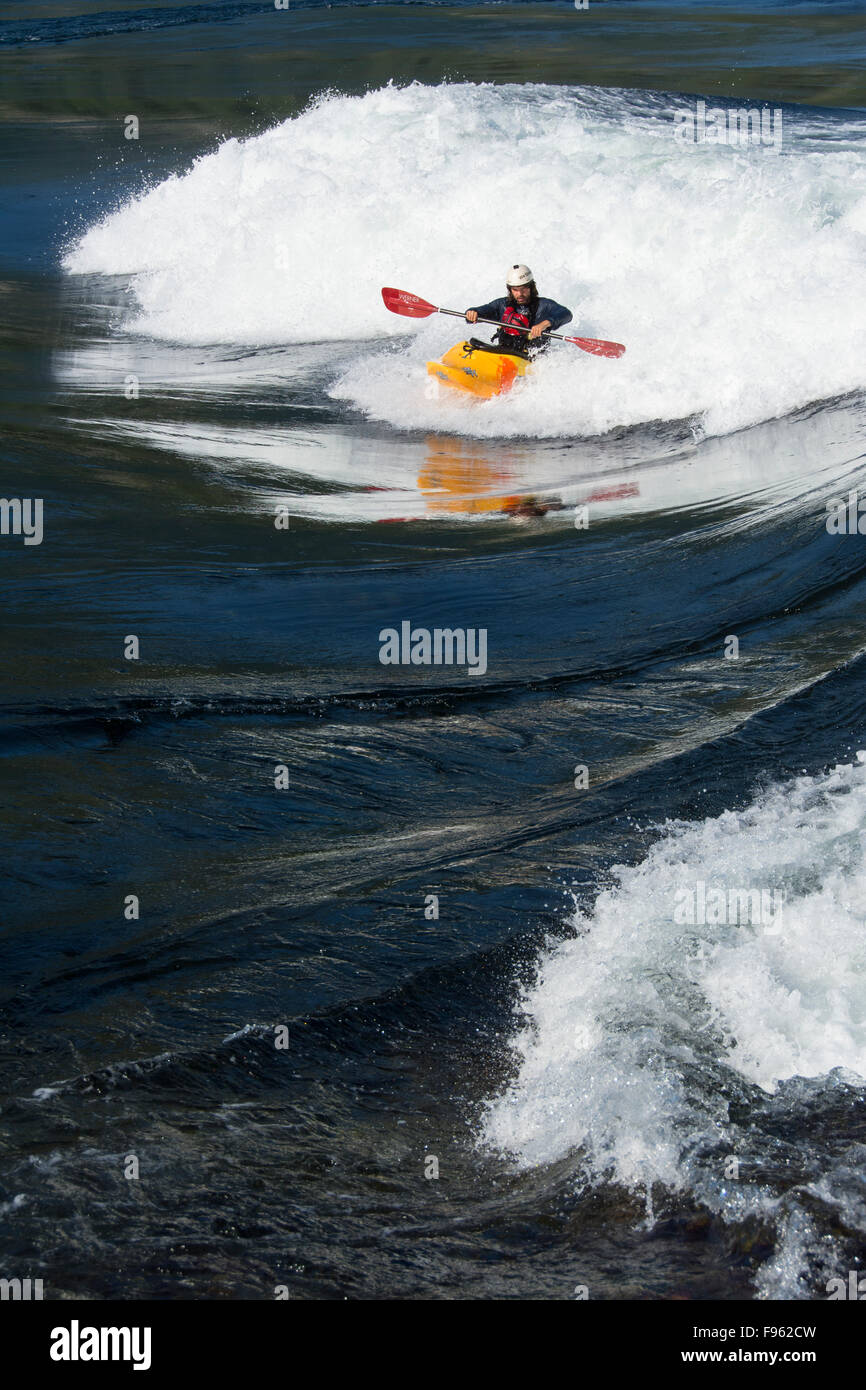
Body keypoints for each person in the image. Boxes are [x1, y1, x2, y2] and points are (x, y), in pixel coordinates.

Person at [465, 264, 572, 357]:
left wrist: (545, 324)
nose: (520, 294)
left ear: (531, 287)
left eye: (523, 289)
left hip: (531, 359)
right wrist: (472, 312)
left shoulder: (544, 305)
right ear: (510, 290)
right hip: (504, 354)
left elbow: (566, 314)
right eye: (515, 290)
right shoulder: (501, 305)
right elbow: (481, 311)